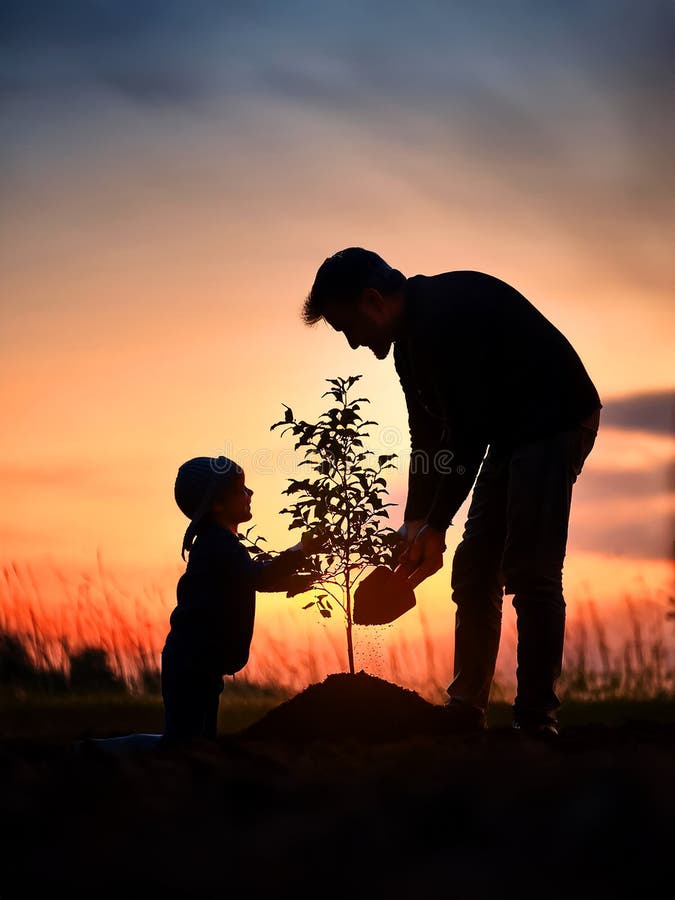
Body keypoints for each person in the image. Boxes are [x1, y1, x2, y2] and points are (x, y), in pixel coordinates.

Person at [302, 247, 602, 738]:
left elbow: (468, 434)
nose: (353, 343)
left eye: (347, 327)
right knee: (474, 567)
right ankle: (466, 710)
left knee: (530, 568)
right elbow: (428, 437)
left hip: (556, 420)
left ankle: (534, 719)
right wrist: (416, 521)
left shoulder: (443, 318)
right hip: (512, 435)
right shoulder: (409, 350)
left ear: (373, 301)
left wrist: (438, 524)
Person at [78, 454, 322, 755]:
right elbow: (257, 577)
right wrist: (301, 550)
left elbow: (249, 580)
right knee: (180, 743)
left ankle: (98, 752)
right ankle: (95, 752)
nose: (250, 494)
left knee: (194, 743)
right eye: (240, 489)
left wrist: (295, 581)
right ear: (218, 505)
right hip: (191, 664)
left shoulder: (220, 544)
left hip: (200, 664)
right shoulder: (218, 545)